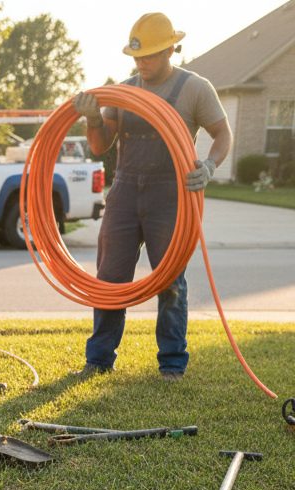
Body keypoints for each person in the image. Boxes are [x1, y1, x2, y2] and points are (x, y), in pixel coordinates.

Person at [73, 12, 232, 380]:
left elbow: (223, 134)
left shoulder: (194, 88)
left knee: (170, 279)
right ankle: (99, 359)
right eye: (137, 57)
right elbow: (99, 146)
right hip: (125, 190)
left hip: (170, 194)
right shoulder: (123, 92)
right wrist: (92, 119)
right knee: (110, 279)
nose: (141, 64)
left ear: (170, 50)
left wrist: (209, 165)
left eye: (148, 56)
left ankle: (172, 363)